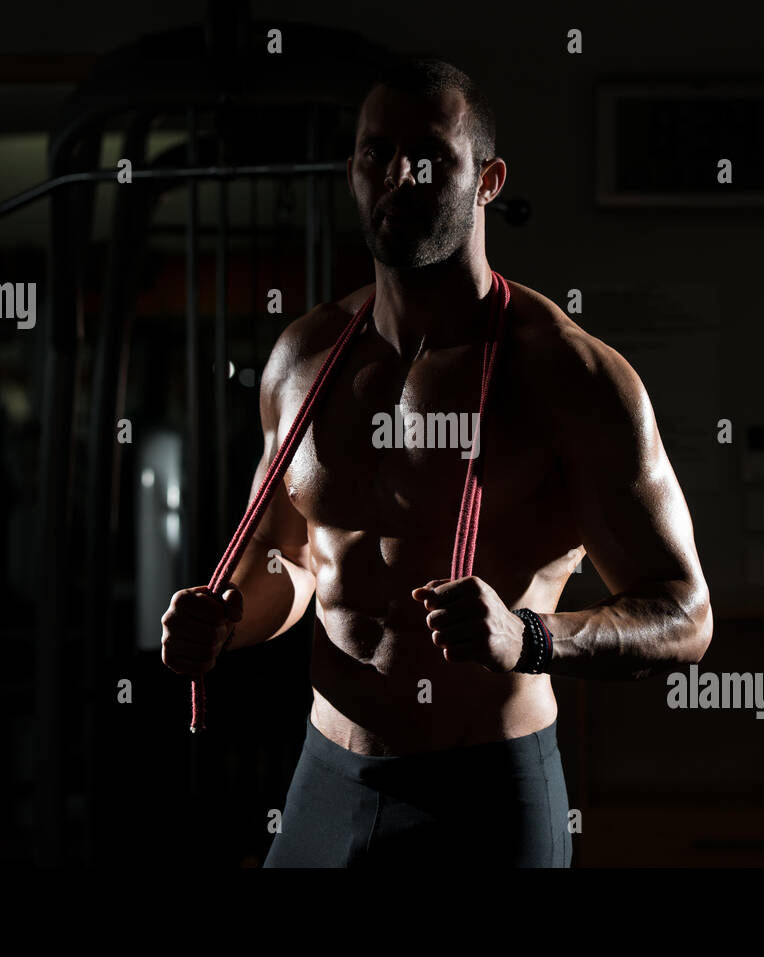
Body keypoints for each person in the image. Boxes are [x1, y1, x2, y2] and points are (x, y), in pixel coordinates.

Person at [161, 57, 712, 867]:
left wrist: (529, 637)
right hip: (325, 777)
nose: (398, 175)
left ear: (488, 180)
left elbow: (686, 615)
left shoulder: (573, 377)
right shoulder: (304, 357)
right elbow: (292, 559)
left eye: (429, 155)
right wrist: (229, 619)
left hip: (486, 793)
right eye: (374, 153)